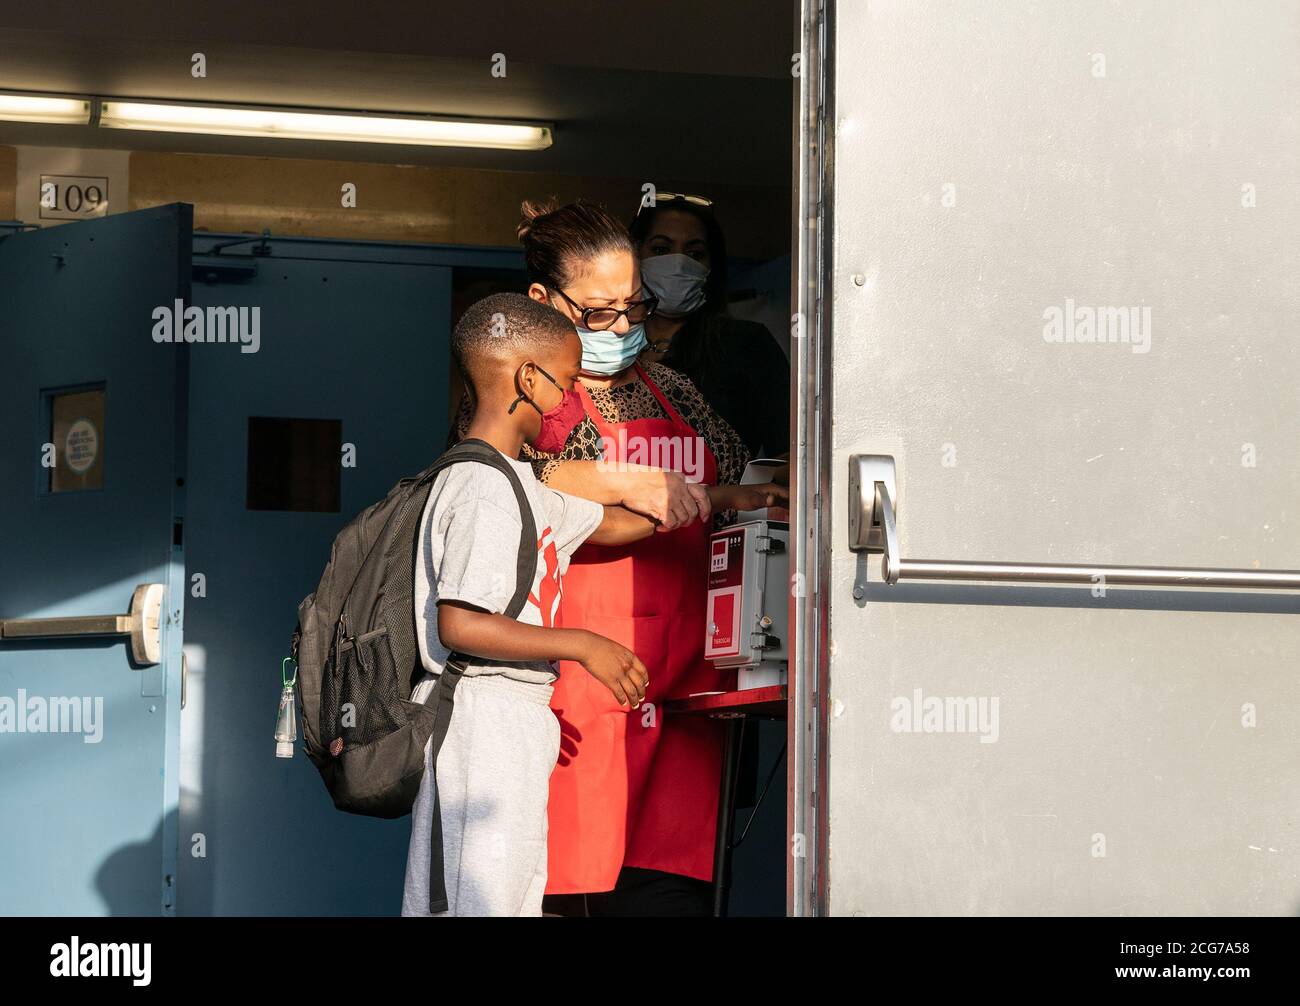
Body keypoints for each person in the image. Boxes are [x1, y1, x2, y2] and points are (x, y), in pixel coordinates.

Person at [466, 199, 785, 916]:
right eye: (600, 312)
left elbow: (730, 480)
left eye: (635, 309)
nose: (623, 328)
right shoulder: (529, 397)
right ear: (545, 304)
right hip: (576, 691)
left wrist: (754, 496)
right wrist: (626, 486)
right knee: (574, 884)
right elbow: (496, 476)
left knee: (666, 891)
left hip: (680, 696)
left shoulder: (674, 391)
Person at [401, 292, 658, 917]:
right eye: (566, 383)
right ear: (527, 379)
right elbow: (460, 623)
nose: (572, 400)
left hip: (512, 720)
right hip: (476, 719)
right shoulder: (481, 486)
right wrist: (582, 643)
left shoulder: (520, 482)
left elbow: (609, 524)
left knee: (510, 901)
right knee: (473, 903)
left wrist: (721, 499)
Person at [632, 192, 790, 461]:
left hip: (720, 502)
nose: (679, 263)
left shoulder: (747, 344)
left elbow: (790, 457)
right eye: (660, 249)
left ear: (710, 267)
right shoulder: (605, 343)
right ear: (634, 254)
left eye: (695, 253)